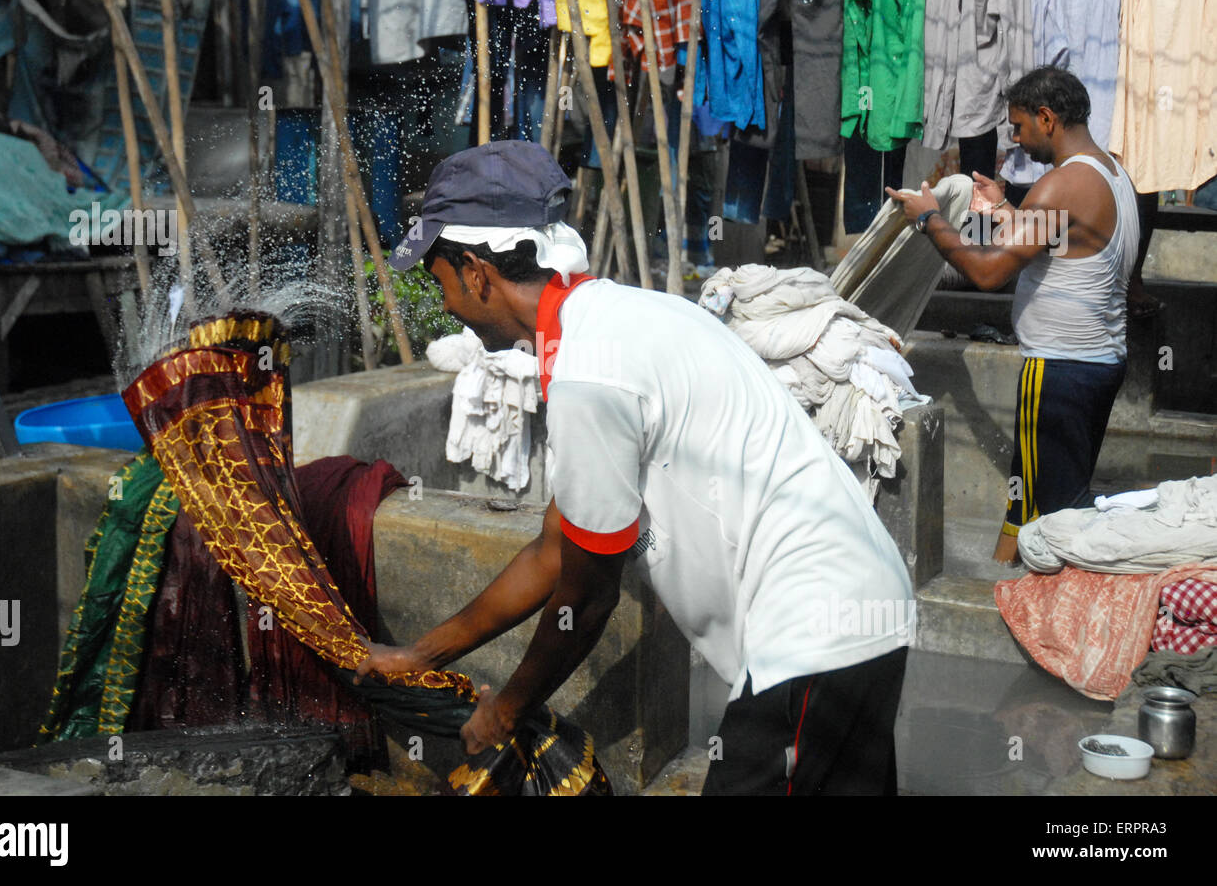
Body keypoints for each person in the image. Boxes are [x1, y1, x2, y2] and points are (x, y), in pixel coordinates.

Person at [358, 139, 915, 795]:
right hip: (863, 605)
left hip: (812, 633)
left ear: (477, 271)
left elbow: (586, 598)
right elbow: (553, 550)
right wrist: (419, 657)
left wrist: (505, 709)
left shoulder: (591, 374)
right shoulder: (620, 316)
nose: (444, 300)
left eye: (440, 277)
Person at [886, 66, 1140, 564]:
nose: (1016, 141)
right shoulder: (1111, 172)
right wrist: (1005, 211)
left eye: (1019, 127)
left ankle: (1040, 615)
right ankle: (1008, 584)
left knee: (1048, 519)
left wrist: (928, 217)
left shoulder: (1062, 185)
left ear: (1047, 118)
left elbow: (987, 273)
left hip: (1059, 372)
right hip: (1098, 365)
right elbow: (1056, 243)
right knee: (1037, 504)